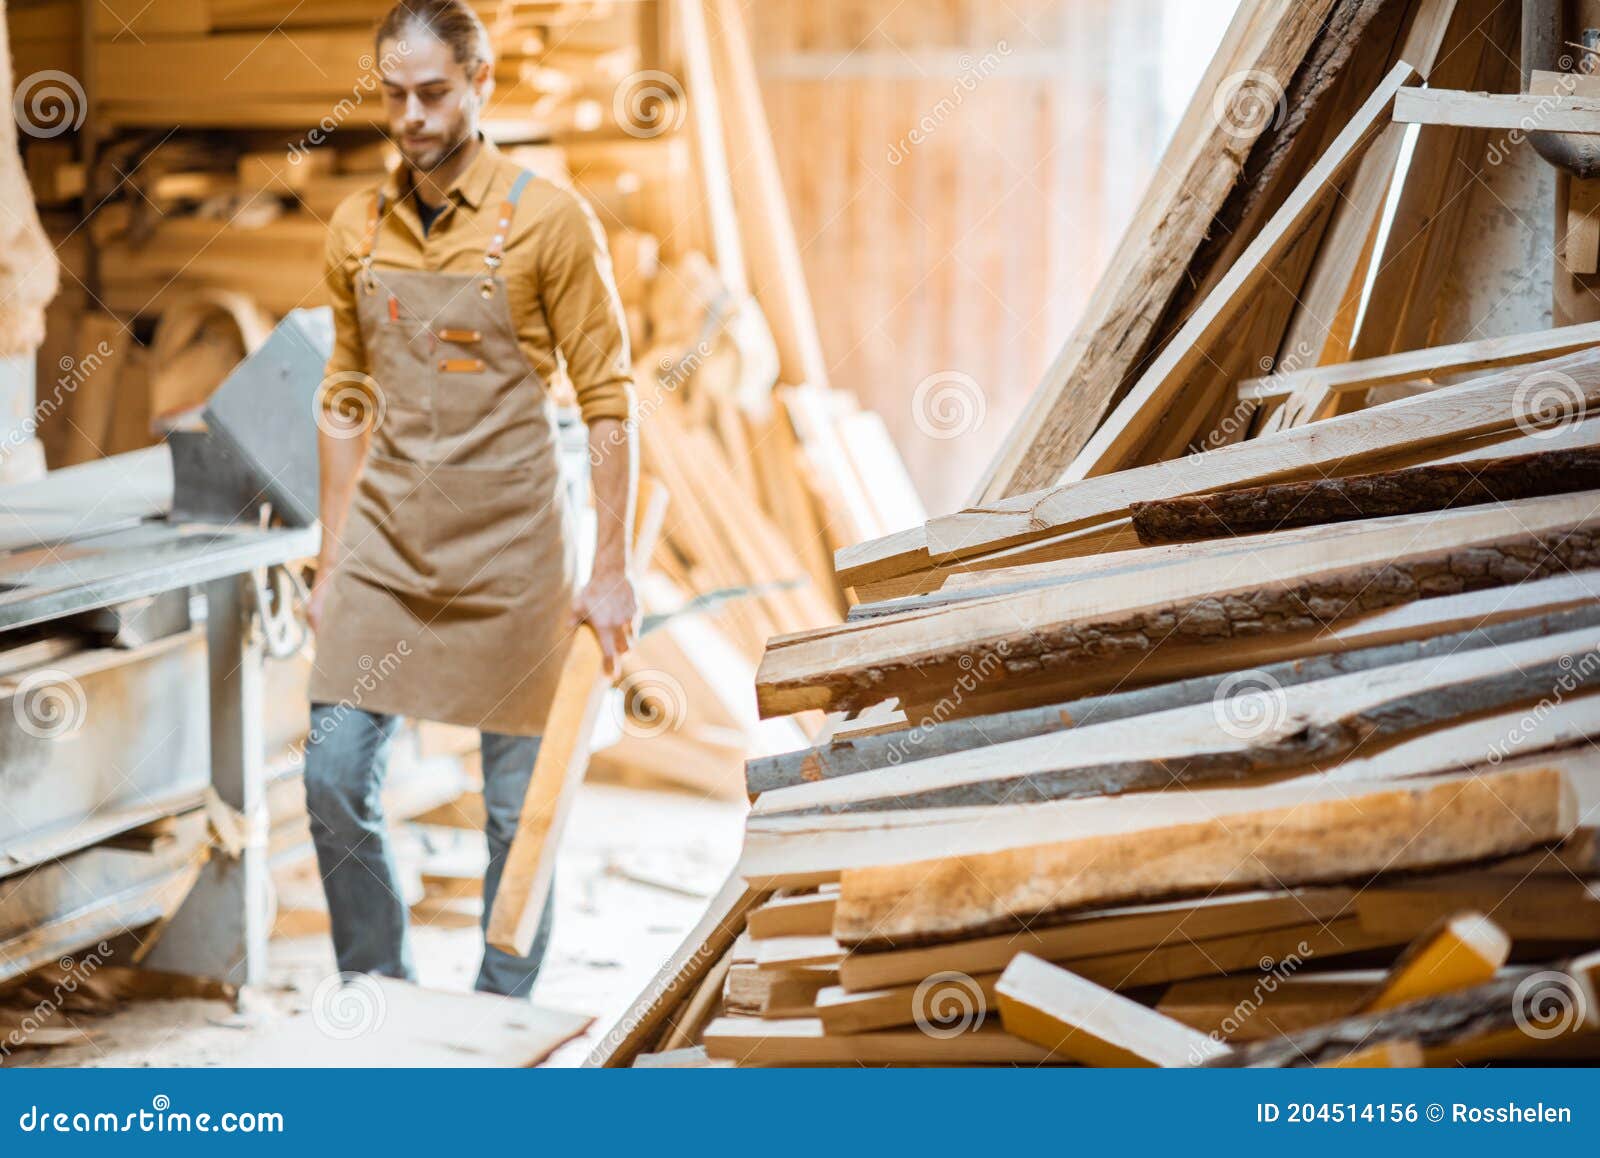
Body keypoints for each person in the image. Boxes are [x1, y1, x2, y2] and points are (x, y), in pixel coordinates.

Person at [302, 0, 638, 998]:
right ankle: (380, 988)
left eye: (434, 93)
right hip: (386, 545)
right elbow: (345, 396)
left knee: (514, 817)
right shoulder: (354, 228)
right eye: (393, 95)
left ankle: (496, 1029)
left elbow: (611, 401)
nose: (410, 116)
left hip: (513, 551)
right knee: (328, 778)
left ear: (482, 82)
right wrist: (331, 562)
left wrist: (610, 570)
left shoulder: (548, 221)